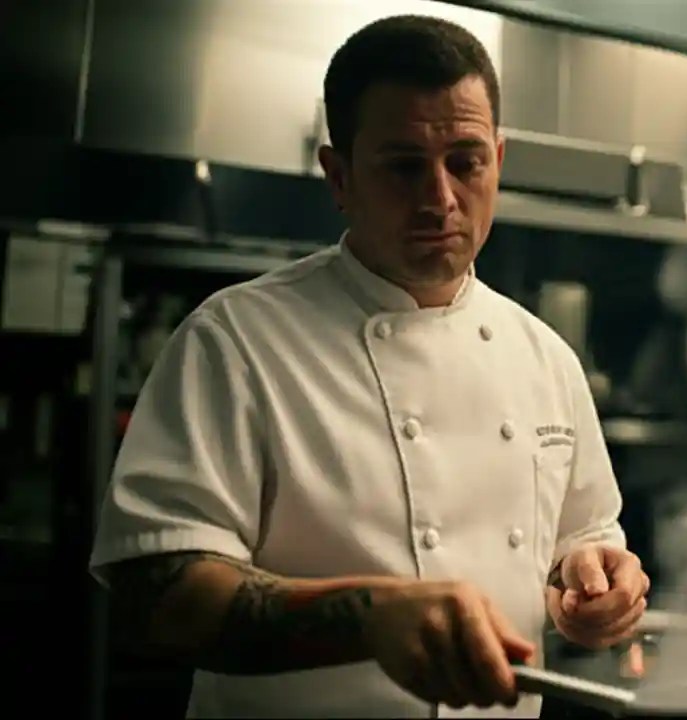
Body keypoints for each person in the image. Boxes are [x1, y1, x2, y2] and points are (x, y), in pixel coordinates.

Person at [88, 15, 648, 718]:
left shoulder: (546, 358)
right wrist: (367, 617)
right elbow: (157, 588)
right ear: (340, 176)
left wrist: (592, 584)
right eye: (404, 165)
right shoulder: (235, 341)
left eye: (466, 161)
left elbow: (581, 539)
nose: (440, 198)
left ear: (498, 161)